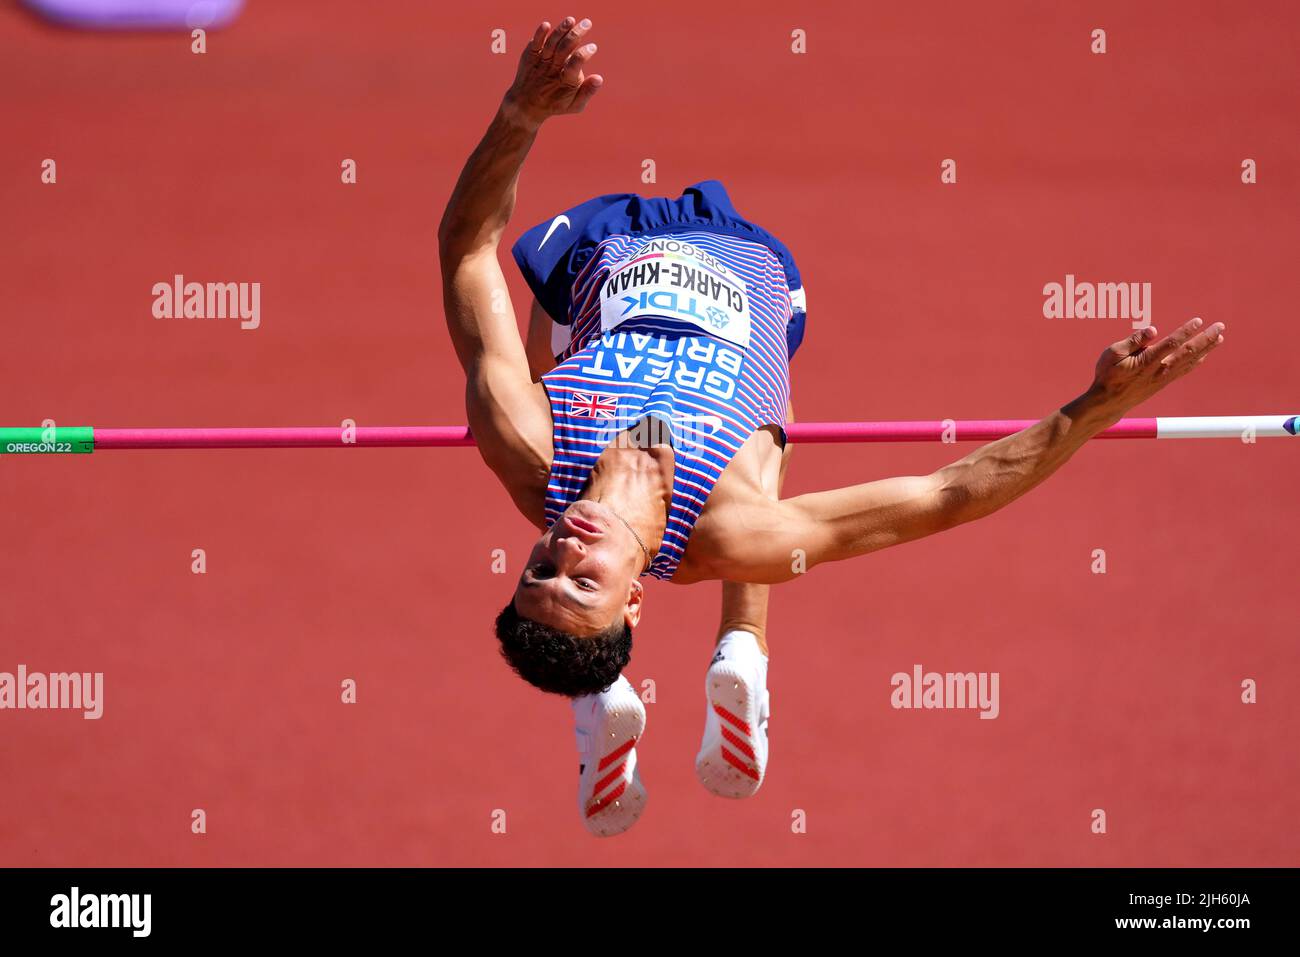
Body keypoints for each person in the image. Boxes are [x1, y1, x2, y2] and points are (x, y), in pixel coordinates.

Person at [436, 16, 1226, 836]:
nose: (565, 549)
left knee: (538, 332)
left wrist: (519, 114)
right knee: (759, 454)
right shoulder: (739, 526)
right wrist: (1093, 407)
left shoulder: (526, 438)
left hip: (599, 259)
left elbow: (466, 252)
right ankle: (739, 647)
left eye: (539, 569)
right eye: (585, 579)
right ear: (636, 598)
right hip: (750, 259)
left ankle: (621, 690)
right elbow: (948, 493)